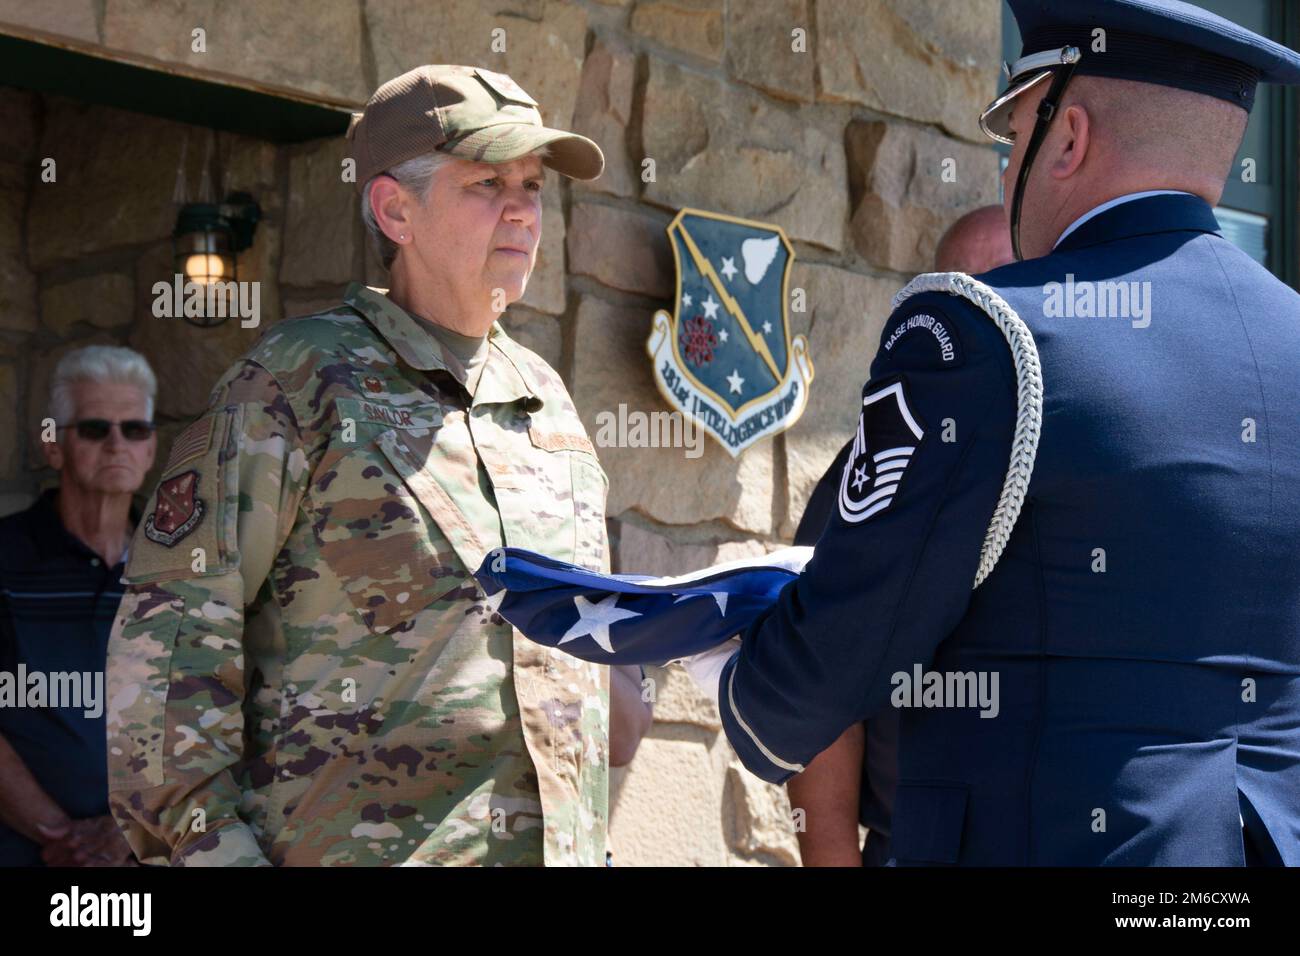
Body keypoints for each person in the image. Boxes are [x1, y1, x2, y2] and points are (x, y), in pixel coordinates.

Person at [710, 0, 1300, 864]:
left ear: (1068, 139)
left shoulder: (986, 331)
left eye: (1012, 136)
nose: (1008, 163)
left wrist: (742, 672)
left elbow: (841, 648)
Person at [106, 65, 621, 866]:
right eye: (487, 182)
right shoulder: (295, 384)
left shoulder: (546, 402)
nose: (522, 209)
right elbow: (166, 664)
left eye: (533, 185)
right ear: (395, 209)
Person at [788, 205, 1016, 866]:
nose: (995, 314)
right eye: (969, 295)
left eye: (1014, 287)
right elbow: (820, 680)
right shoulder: (888, 457)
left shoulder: (1110, 451)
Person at [0, 345, 157, 867]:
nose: (118, 444)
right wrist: (60, 836)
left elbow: (214, 718)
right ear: (53, 447)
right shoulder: (5, 556)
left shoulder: (181, 571)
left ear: (151, 448)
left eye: (135, 429)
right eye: (95, 429)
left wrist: (129, 832)